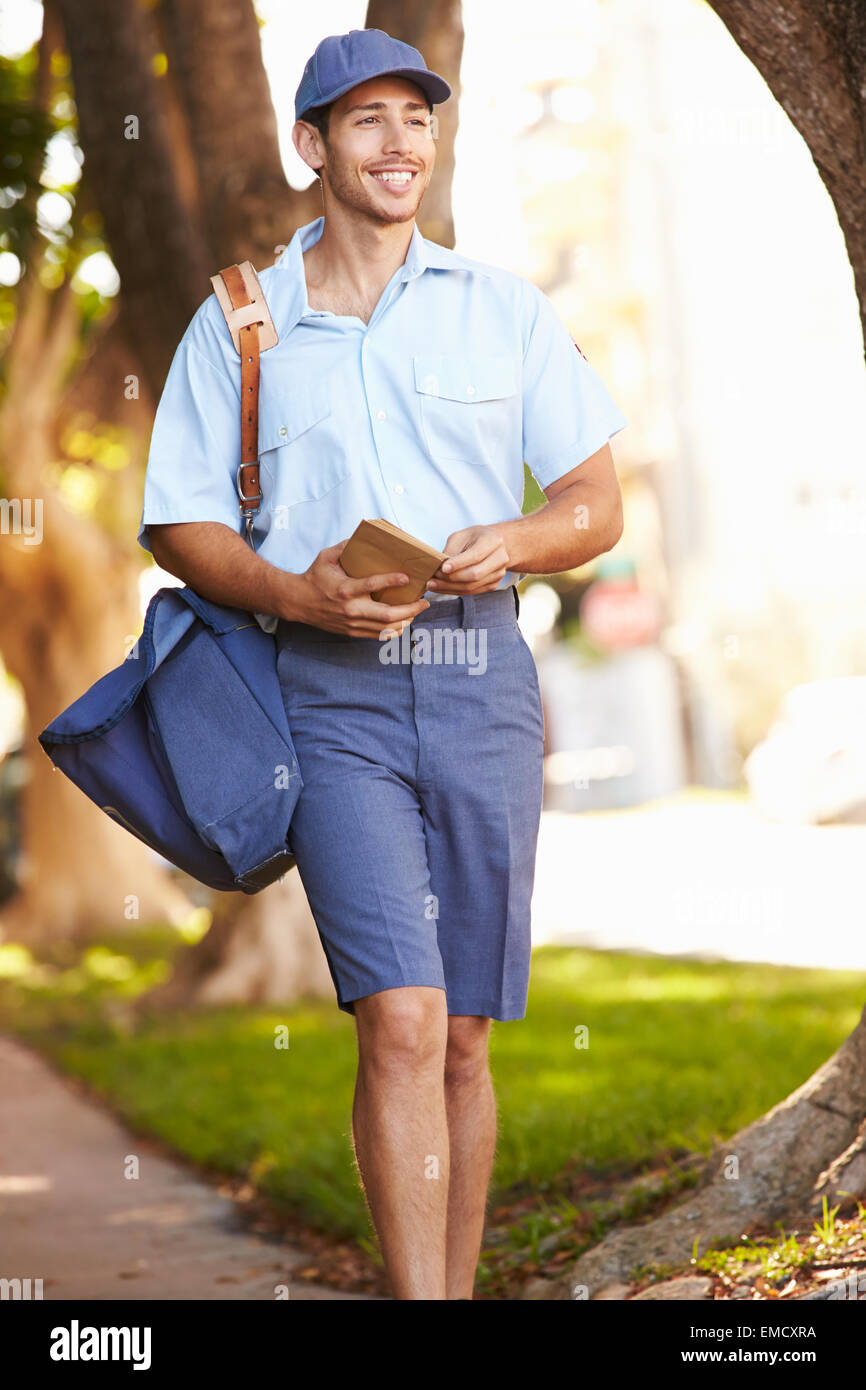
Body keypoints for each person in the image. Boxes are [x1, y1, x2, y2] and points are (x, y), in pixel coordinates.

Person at [139, 27, 627, 1300]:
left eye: (416, 117)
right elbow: (181, 518)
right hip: (327, 695)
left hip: (481, 682)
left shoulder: (503, 310)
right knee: (402, 1018)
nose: (398, 140)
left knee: (463, 1032)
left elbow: (593, 502)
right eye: (366, 121)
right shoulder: (244, 321)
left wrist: (511, 538)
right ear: (313, 147)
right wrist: (292, 587)